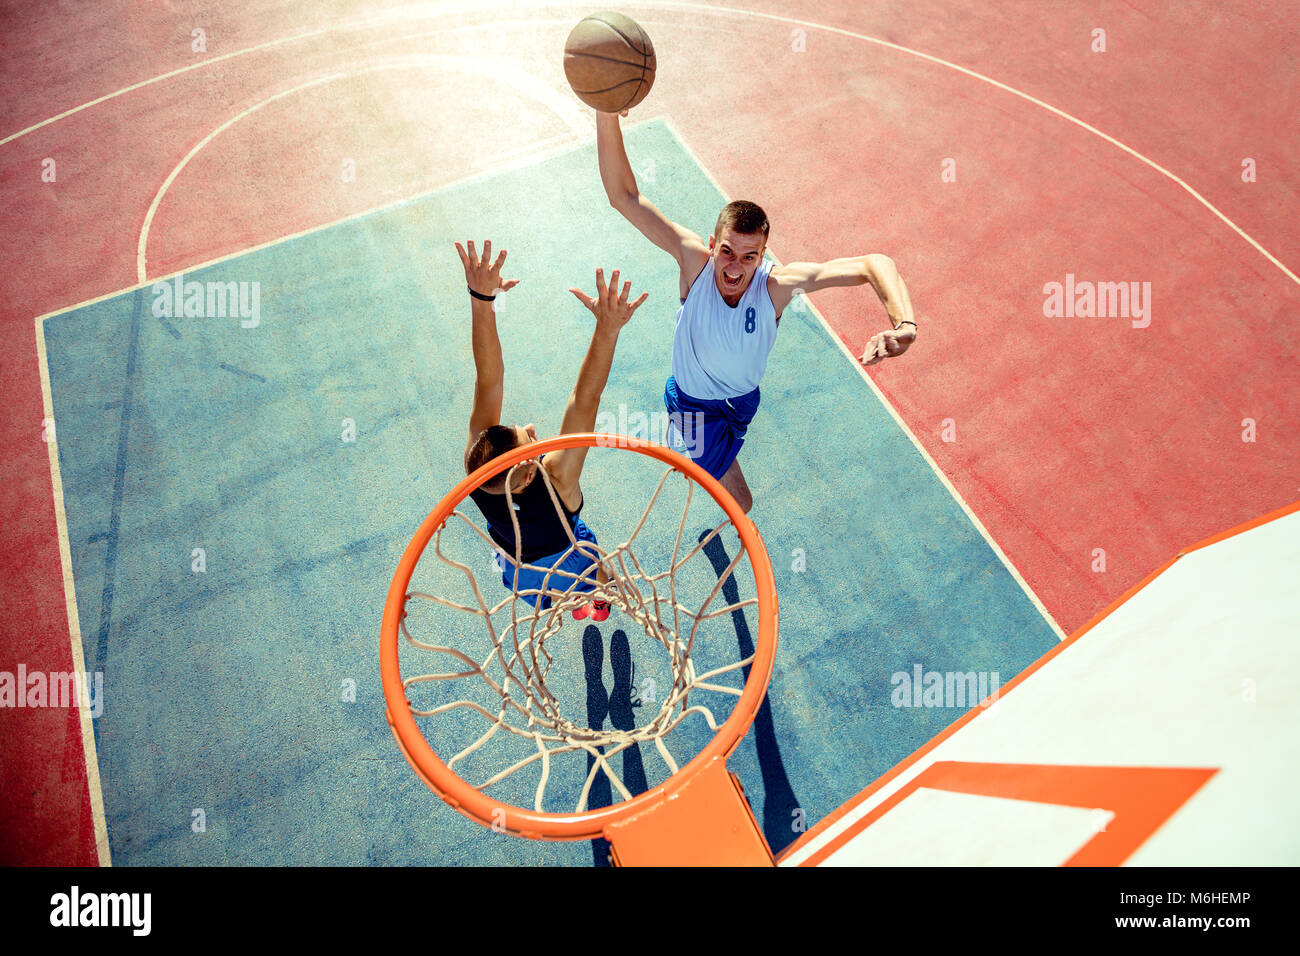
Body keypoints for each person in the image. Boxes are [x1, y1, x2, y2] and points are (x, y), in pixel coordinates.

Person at [595, 111, 919, 513]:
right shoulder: (694, 262)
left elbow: (875, 263)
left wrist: (905, 325)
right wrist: (606, 112)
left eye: (749, 257)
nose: (734, 267)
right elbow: (623, 197)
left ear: (763, 255)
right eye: (727, 251)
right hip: (694, 407)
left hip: (744, 402)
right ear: (712, 243)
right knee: (742, 504)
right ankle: (698, 461)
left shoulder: (775, 287)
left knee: (714, 471)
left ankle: (698, 458)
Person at [457, 238, 648, 620]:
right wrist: (607, 329)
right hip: (569, 556)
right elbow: (584, 398)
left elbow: (488, 381)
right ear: (529, 473)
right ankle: (595, 600)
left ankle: (568, 606)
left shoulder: (478, 471)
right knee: (598, 572)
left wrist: (481, 298)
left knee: (551, 599)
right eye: (530, 437)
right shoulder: (557, 478)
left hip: (523, 570)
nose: (530, 427)